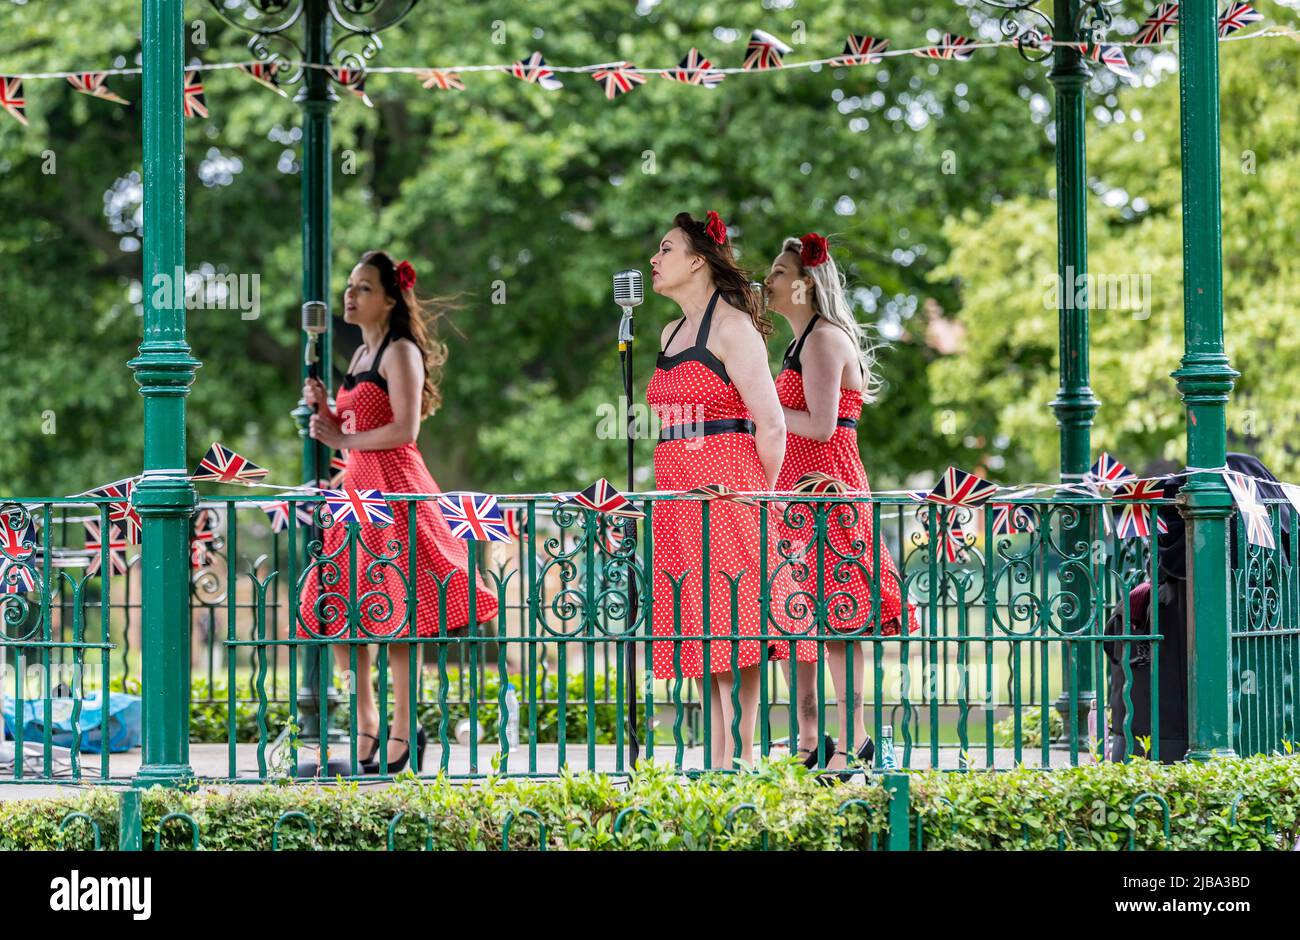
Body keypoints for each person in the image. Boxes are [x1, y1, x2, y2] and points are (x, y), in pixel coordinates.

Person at [299, 250, 498, 774]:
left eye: (363, 287)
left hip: (394, 488)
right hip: (356, 493)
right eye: (350, 285)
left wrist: (342, 433)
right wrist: (326, 412)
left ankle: (405, 728)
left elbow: (405, 429)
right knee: (341, 607)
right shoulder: (359, 359)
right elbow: (352, 438)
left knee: (395, 608)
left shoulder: (399, 350)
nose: (350, 294)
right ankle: (366, 719)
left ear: (389, 298)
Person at [762, 233, 917, 771]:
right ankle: (810, 741)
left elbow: (824, 426)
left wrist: (759, 416)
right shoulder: (797, 342)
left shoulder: (825, 339)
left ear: (804, 285)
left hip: (829, 492)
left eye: (779, 272)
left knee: (837, 625)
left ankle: (852, 745)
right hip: (796, 495)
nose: (769, 279)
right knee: (794, 620)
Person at [646, 210, 789, 768]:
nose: (654, 261)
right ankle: (717, 756)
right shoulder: (668, 332)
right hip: (679, 492)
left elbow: (771, 423)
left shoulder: (733, 328)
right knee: (705, 627)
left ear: (697, 260)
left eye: (665, 249)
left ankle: (742, 756)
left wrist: (760, 498)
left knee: (739, 624)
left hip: (731, 489)